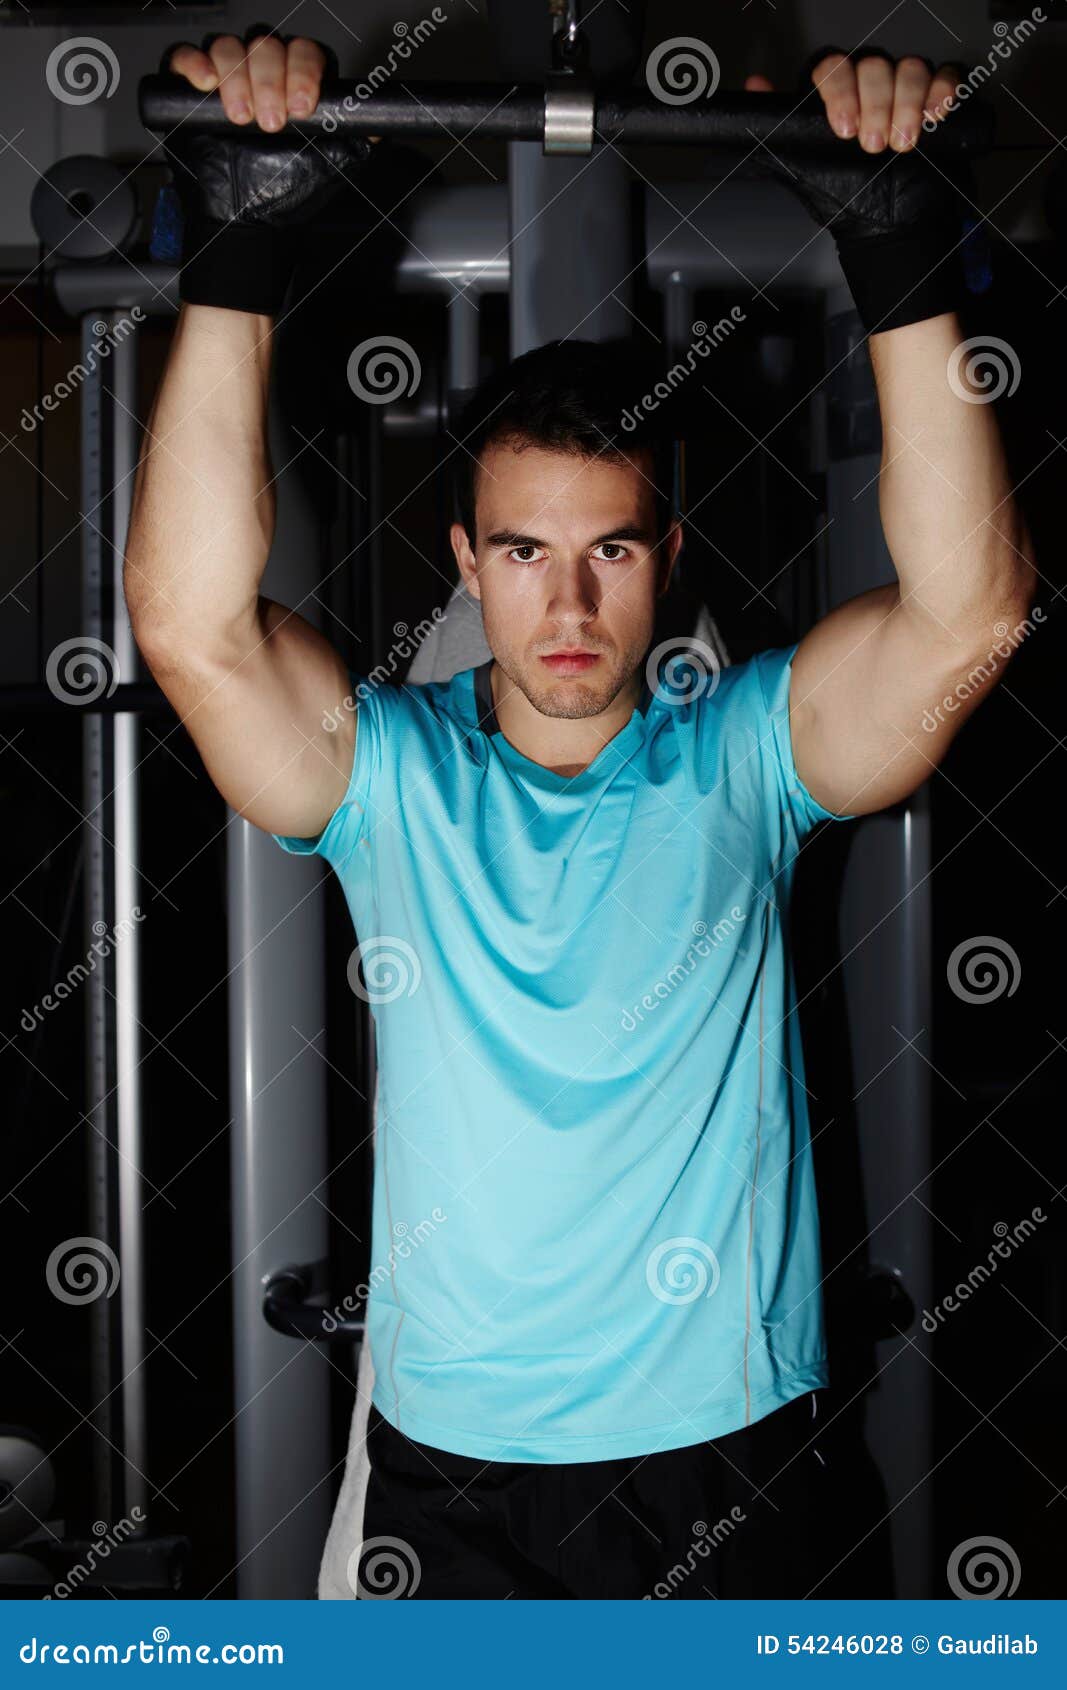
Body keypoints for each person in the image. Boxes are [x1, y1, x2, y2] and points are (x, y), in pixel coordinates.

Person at [127, 29, 1037, 1599]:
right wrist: (237, 244)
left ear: (665, 559)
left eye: (608, 551)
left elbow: (972, 617)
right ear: (466, 563)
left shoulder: (744, 755)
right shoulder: (389, 778)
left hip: (724, 1450)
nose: (566, 605)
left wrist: (897, 253)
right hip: (456, 1467)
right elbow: (190, 627)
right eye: (524, 553)